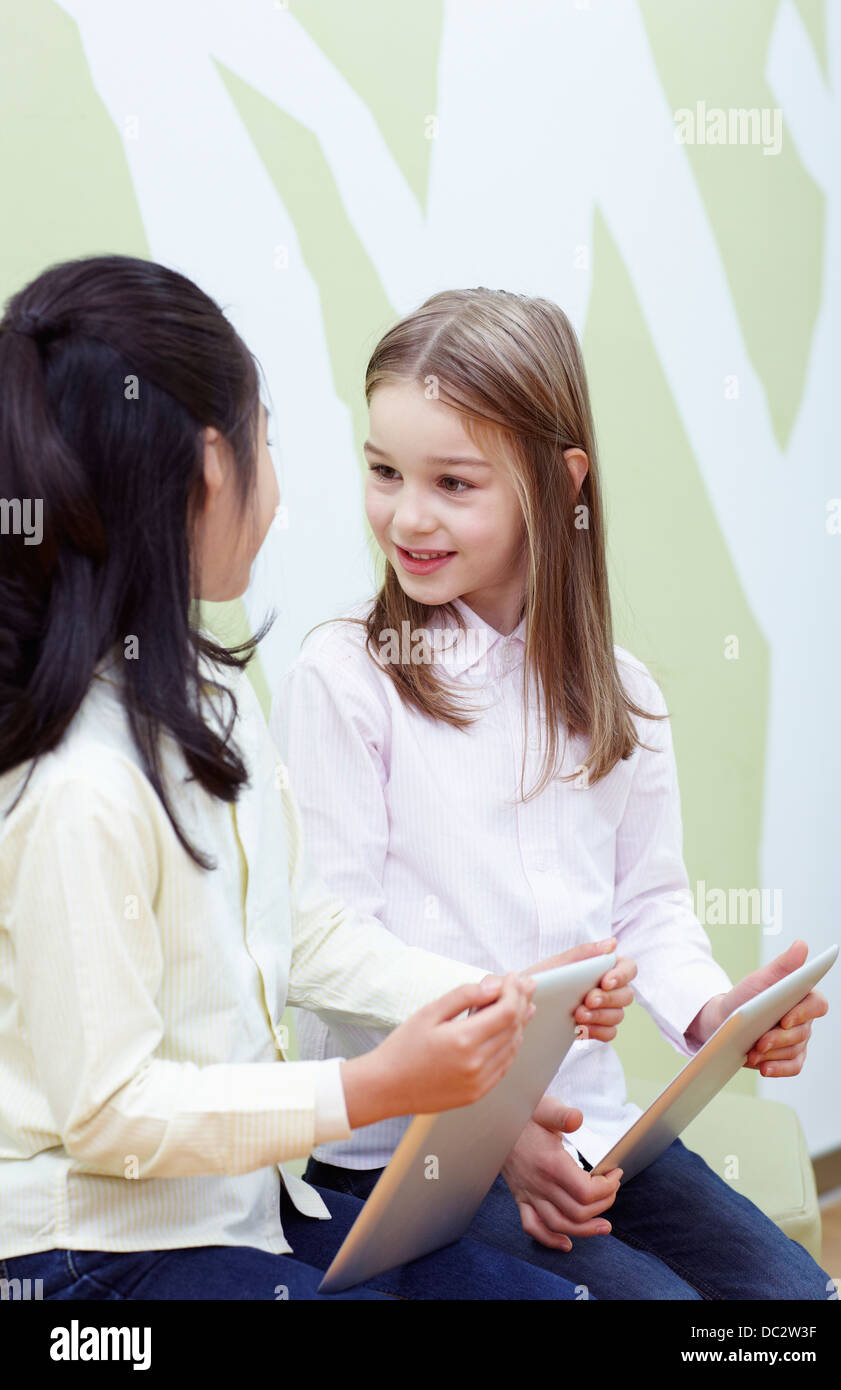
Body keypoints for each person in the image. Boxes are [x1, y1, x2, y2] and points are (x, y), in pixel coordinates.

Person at [0, 256, 618, 1301]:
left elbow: (307, 930)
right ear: (209, 468)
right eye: (268, 440)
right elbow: (111, 1113)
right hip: (93, 1261)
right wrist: (371, 1087)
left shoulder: (208, 701)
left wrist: (498, 1004)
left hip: (243, 1211)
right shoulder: (77, 784)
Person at [271, 287, 831, 1300]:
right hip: (411, 1154)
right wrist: (490, 1106)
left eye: (452, 481)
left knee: (790, 1300)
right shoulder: (345, 675)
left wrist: (713, 1012)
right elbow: (322, 941)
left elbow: (647, 908)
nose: (407, 514)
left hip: (591, 1131)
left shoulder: (620, 694)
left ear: (558, 480)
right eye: (383, 470)